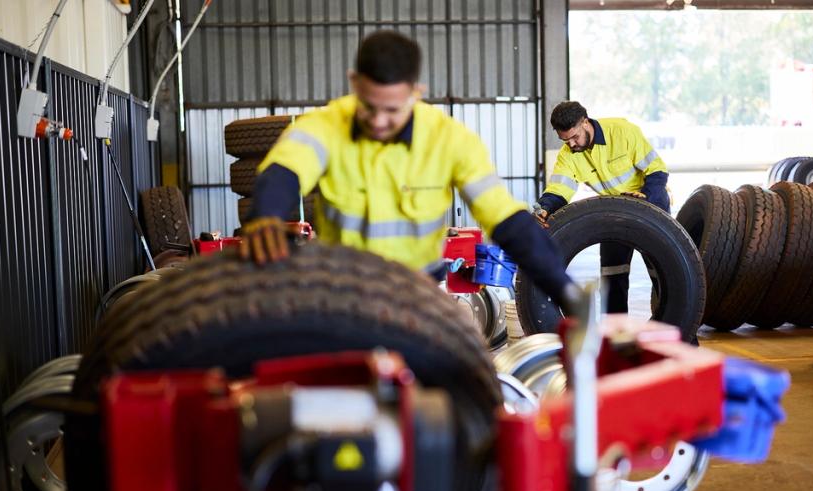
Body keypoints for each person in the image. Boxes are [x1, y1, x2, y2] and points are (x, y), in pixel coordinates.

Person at [239, 30, 578, 312]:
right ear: (354, 83)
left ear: (416, 93)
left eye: (392, 109)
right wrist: (266, 214)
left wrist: (565, 292)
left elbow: (504, 218)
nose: (379, 121)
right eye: (369, 107)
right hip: (341, 298)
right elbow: (284, 170)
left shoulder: (449, 139)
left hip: (419, 297)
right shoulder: (324, 125)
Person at [534, 101, 669, 314]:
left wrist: (646, 196)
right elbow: (560, 189)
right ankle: (616, 337)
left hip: (649, 204)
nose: (570, 144)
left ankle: (682, 332)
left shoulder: (623, 132)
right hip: (614, 210)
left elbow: (657, 170)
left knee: (664, 273)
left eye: (574, 137)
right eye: (565, 140)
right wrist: (543, 208)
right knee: (613, 276)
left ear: (585, 122)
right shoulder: (568, 154)